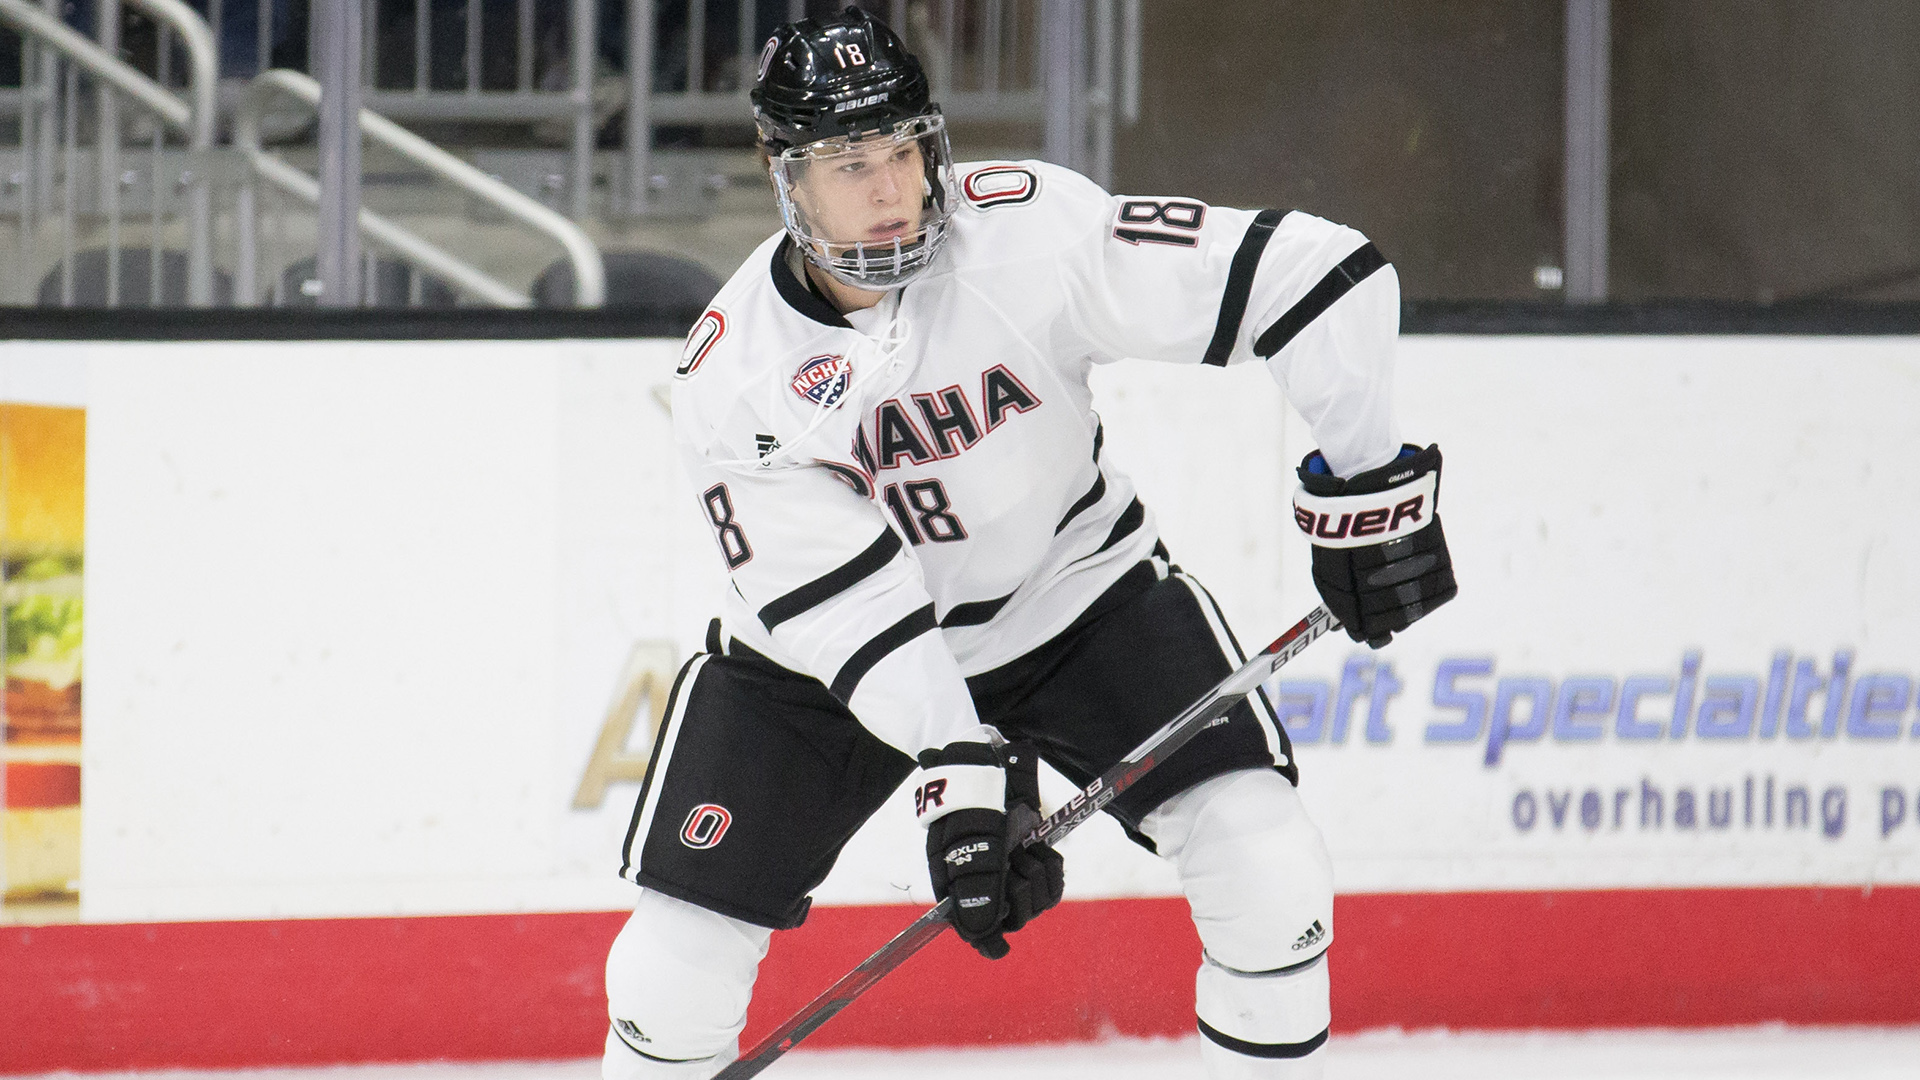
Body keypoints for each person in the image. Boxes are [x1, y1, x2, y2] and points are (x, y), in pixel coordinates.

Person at [604, 8, 1457, 1079]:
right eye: (852, 163)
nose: (894, 190)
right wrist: (959, 770)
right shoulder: (734, 380)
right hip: (820, 673)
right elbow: (847, 612)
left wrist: (1368, 486)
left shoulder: (1030, 236)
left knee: (1269, 871)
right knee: (669, 975)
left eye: (908, 149)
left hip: (1076, 600)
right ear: (782, 175)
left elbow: (1323, 274)